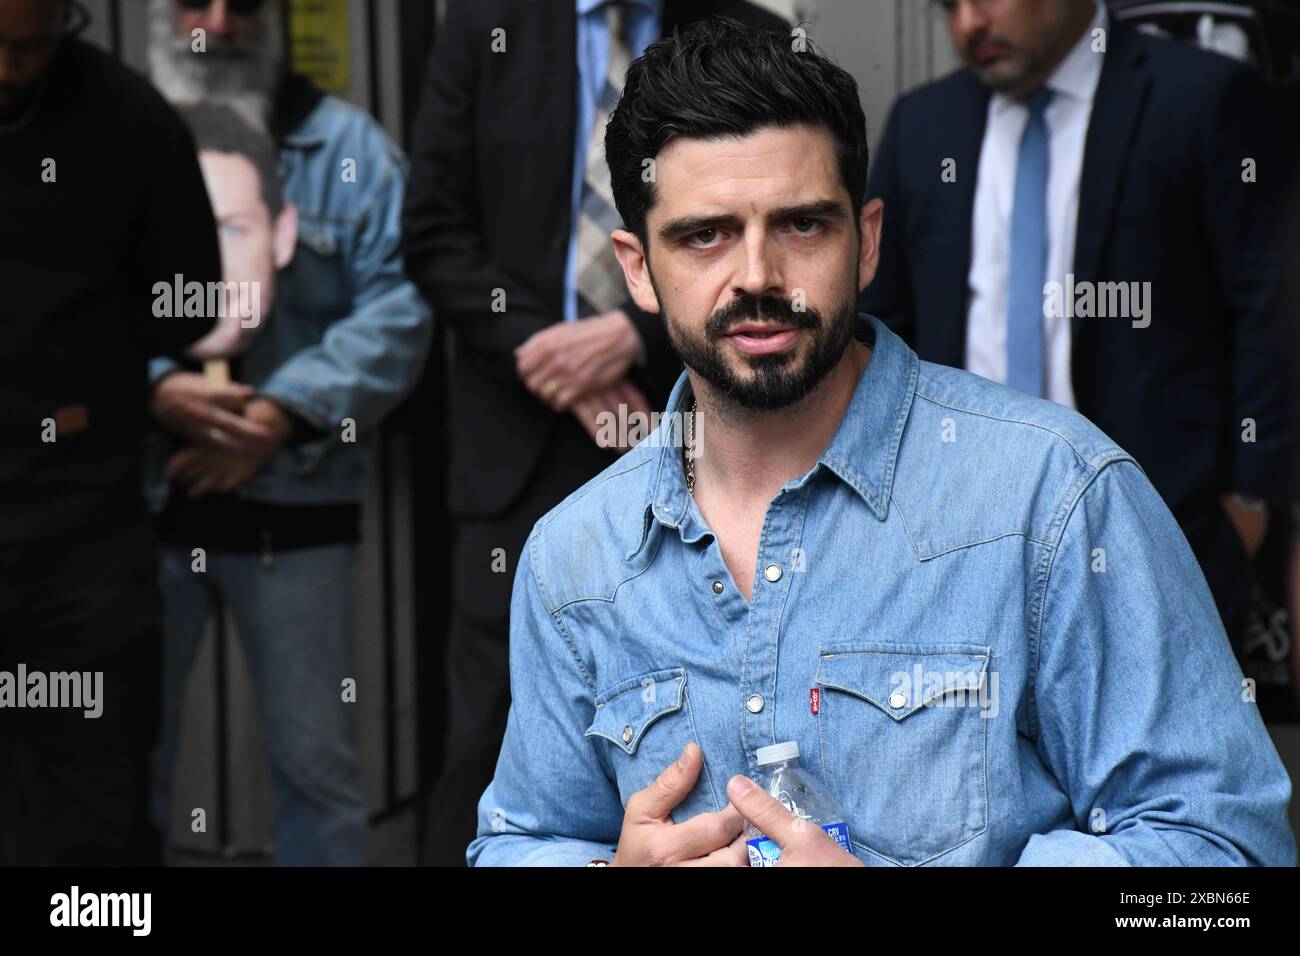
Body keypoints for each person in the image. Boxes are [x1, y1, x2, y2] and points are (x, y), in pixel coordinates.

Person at [466, 17, 1295, 867]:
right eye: (704, 234)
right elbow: (521, 842)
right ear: (637, 267)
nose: (756, 275)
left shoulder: (1054, 499)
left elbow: (1226, 858)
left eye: (800, 225)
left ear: (865, 243)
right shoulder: (575, 557)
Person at [402, 0, 788, 865]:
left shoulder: (747, 31)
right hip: (515, 448)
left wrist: (633, 336)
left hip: (695, 434)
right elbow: (432, 231)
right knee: (483, 744)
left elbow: (772, 237)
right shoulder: (484, 26)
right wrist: (549, 354)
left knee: (703, 731)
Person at [860, 0, 1300, 652]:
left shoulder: (1201, 99)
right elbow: (879, 330)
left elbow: (1271, 310)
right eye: (947, 6)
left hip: (1160, 536)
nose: (967, 25)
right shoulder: (925, 124)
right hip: (962, 548)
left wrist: (1251, 505)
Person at [145, 0, 432, 866]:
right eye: (199, 2)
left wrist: (280, 412)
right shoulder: (122, 135)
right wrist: (155, 390)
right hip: (143, 517)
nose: (221, 23)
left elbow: (404, 302)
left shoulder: (352, 152)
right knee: (121, 764)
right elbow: (60, 303)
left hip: (297, 521)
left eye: (246, 5)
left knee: (316, 773)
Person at [0, 0, 220, 864]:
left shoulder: (126, 117)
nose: (11, 69)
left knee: (96, 812)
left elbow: (190, 293)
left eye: (31, 45)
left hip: (81, 525)